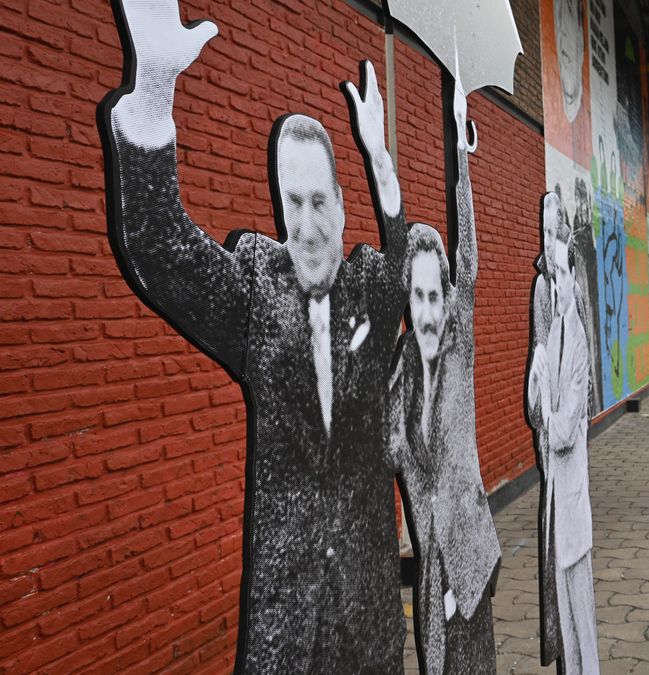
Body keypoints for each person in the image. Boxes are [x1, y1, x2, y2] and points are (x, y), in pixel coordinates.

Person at [98, 3, 409, 671]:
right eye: (291, 202)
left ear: (341, 203)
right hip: (287, 628)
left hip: (370, 615)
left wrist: (380, 157)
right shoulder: (258, 295)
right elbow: (162, 247)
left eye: (318, 199)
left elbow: (408, 267)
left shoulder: (368, 294)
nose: (306, 222)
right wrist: (155, 84)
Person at [388, 80, 501, 675]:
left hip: (471, 556)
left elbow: (472, 259)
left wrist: (460, 151)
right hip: (432, 570)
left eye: (436, 294)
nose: (428, 310)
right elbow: (384, 445)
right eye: (418, 295)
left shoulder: (459, 344)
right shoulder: (401, 366)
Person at [527, 193, 600, 675]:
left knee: (579, 606)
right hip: (555, 492)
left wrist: (547, 418)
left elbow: (570, 423)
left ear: (574, 280)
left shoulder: (575, 341)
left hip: (571, 493)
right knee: (560, 610)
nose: (554, 286)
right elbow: (537, 414)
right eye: (550, 277)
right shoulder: (549, 335)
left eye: (561, 275)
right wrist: (537, 402)